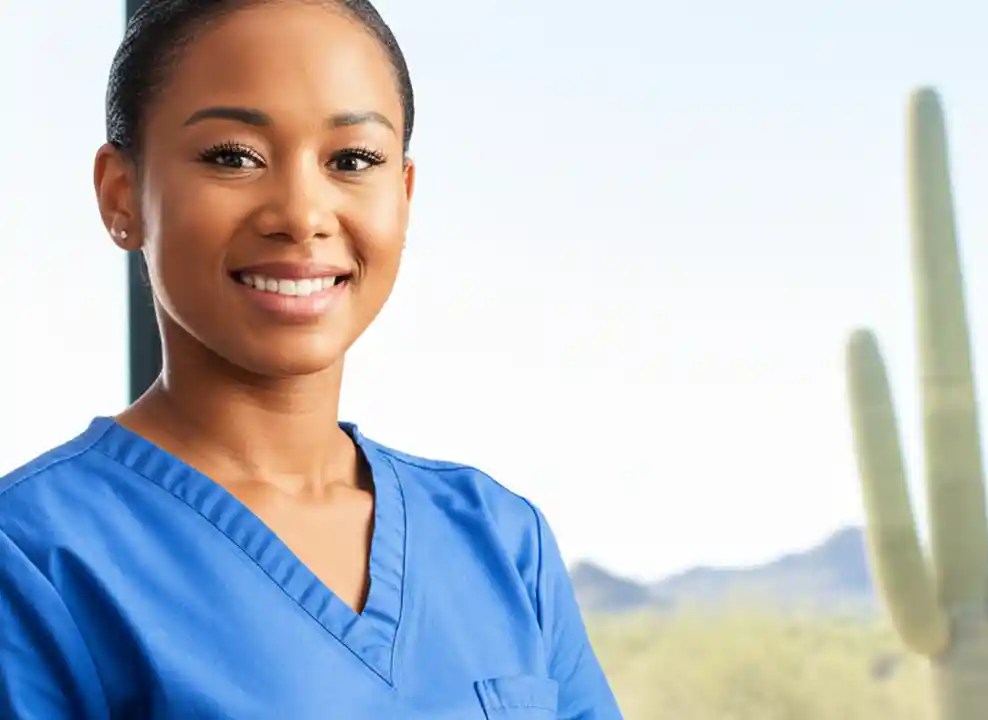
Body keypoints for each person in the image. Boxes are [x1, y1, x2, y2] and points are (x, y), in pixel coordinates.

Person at [0, 1, 623, 717]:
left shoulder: (501, 541)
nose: (301, 213)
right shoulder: (32, 560)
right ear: (121, 195)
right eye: (233, 156)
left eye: (352, 161)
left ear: (404, 196)